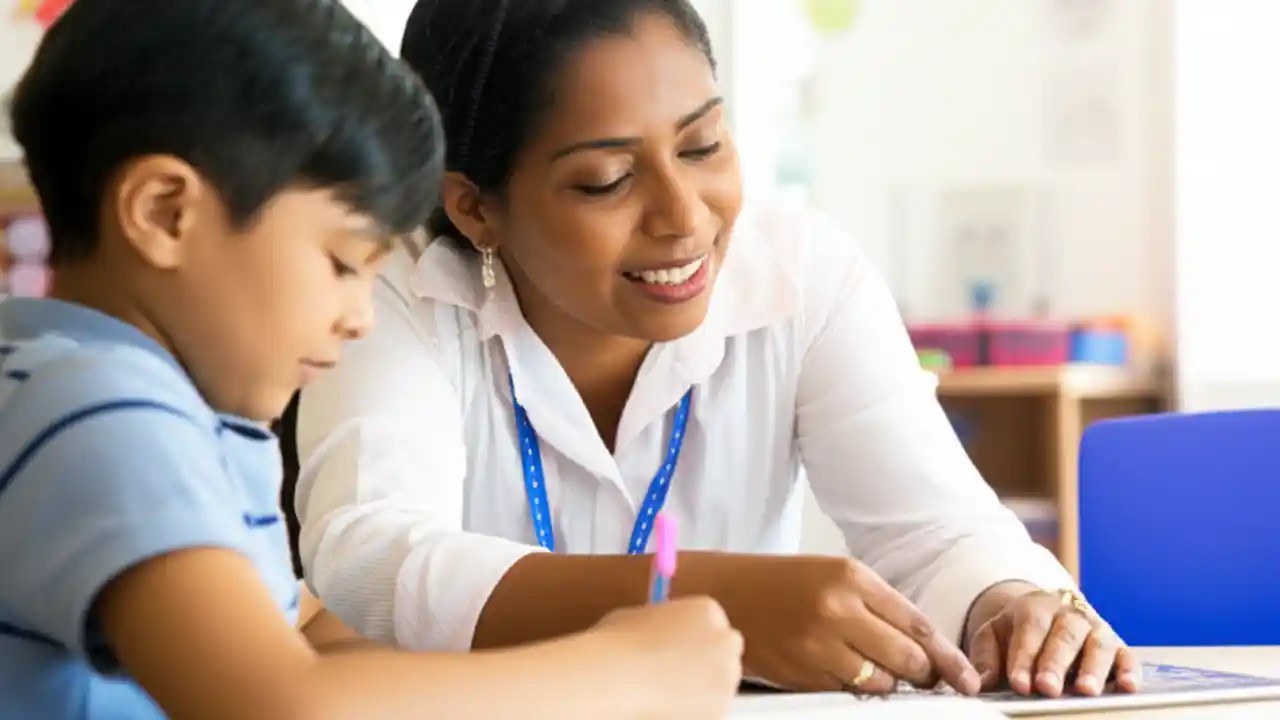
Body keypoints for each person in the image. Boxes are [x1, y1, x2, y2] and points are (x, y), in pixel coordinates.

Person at [292, 0, 1141, 700]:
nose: (684, 216)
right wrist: (713, 598)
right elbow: (372, 553)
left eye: (703, 146)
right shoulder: (388, 286)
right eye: (607, 181)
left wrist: (1012, 601)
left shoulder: (804, 274)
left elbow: (940, 533)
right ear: (475, 208)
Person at [0, 1, 743, 718]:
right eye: (341, 261)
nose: (359, 320)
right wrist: (621, 675)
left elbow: (314, 643)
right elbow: (283, 702)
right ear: (166, 213)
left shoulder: (120, 403)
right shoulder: (97, 414)